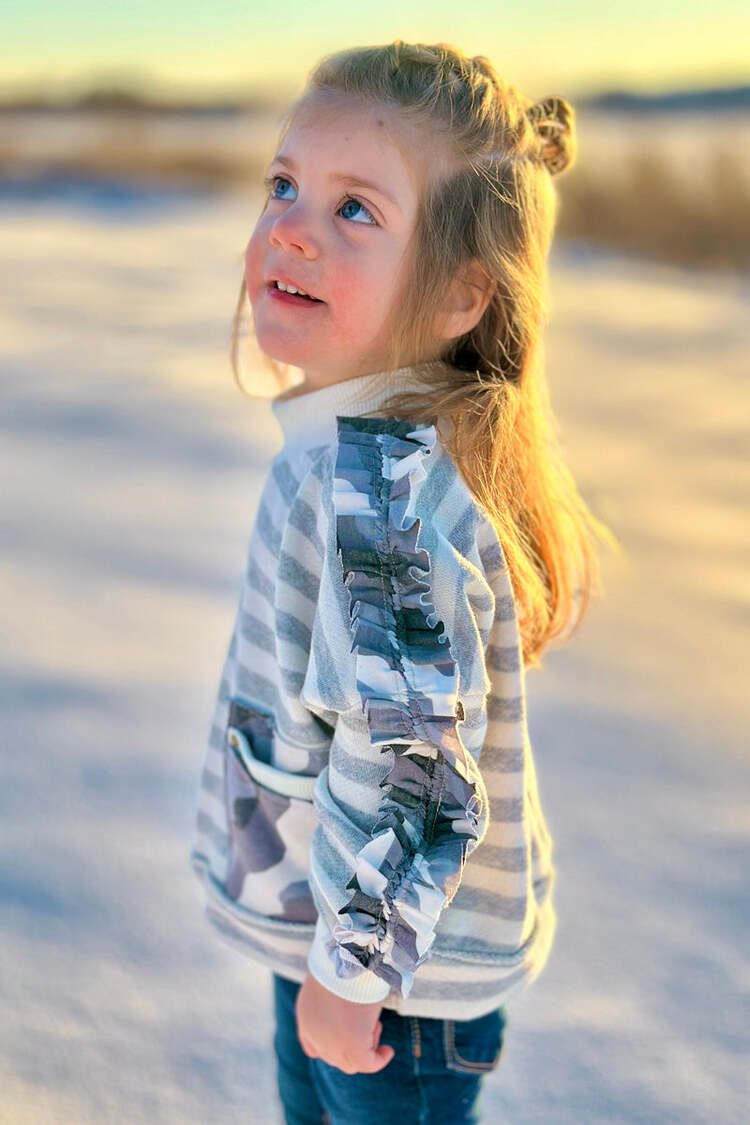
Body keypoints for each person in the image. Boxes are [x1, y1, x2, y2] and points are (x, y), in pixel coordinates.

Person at [189, 39, 619, 1125]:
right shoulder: (350, 455)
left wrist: (351, 975)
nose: (291, 228)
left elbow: (415, 773)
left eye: (356, 210)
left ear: (461, 294)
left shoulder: (385, 500)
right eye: (284, 184)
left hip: (393, 989)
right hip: (344, 945)